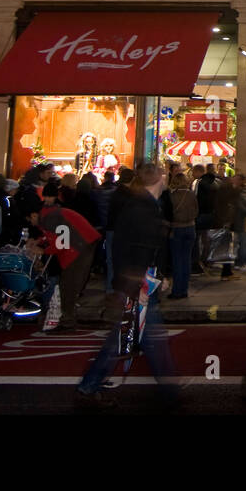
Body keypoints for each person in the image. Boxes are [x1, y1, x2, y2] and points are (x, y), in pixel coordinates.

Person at [76, 164, 176, 408]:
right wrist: (139, 285)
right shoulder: (142, 209)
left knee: (130, 336)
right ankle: (169, 391)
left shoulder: (142, 205)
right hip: (137, 283)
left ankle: (91, 383)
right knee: (138, 336)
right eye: (164, 176)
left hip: (139, 281)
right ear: (158, 179)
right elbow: (133, 250)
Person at [33, 182, 102, 329]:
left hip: (80, 245)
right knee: (70, 282)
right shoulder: (55, 213)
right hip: (84, 243)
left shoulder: (49, 216)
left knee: (69, 283)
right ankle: (67, 316)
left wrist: (43, 250)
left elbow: (58, 241)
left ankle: (67, 318)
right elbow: (58, 238)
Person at [166, 171, 198, 299]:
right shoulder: (191, 195)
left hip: (177, 229)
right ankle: (184, 289)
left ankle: (177, 290)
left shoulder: (172, 196)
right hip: (190, 227)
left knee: (177, 260)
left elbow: (168, 213)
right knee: (186, 259)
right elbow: (196, 210)